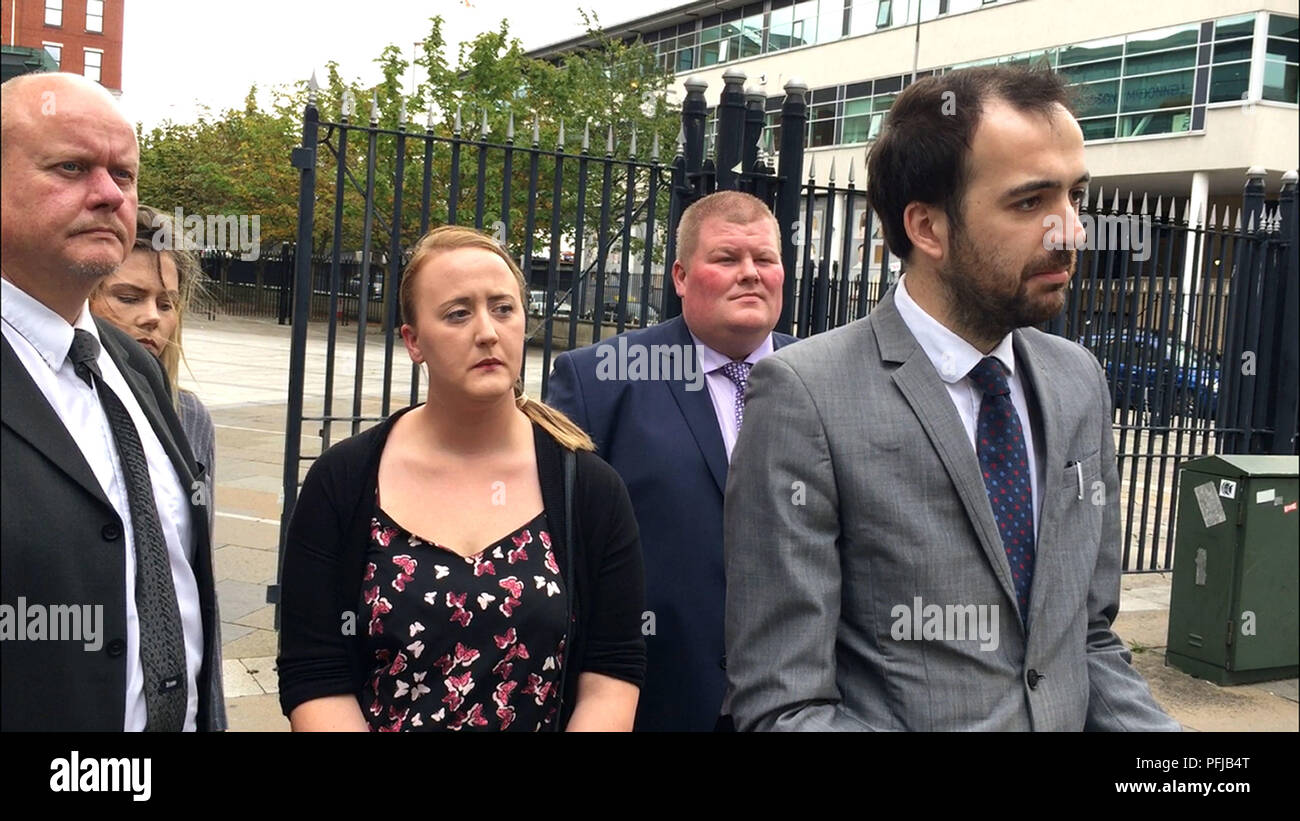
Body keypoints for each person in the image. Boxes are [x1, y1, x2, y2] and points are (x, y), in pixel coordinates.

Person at [723, 66, 1181, 731]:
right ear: (927, 228)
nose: (1073, 233)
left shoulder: (1077, 379)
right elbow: (784, 705)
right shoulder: (806, 396)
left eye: (1075, 197)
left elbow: (1087, 644)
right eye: (1030, 203)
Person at [277, 225, 646, 731]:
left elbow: (612, 671)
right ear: (413, 341)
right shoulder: (343, 481)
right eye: (458, 313)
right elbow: (314, 672)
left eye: (503, 308)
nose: (488, 331)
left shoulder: (589, 489)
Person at [1, 72, 223, 731]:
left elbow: (180, 593)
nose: (106, 194)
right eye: (70, 167)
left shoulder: (133, 370)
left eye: (123, 175)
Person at [546, 190, 797, 732]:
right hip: (650, 702)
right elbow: (557, 550)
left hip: (799, 704)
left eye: (766, 260)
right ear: (681, 277)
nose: (750, 274)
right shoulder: (599, 381)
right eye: (727, 259)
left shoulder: (830, 378)